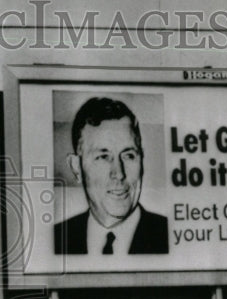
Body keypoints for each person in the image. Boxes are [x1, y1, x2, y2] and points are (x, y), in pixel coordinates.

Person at [53, 96, 168, 254]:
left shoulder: (170, 236)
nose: (119, 174)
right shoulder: (55, 240)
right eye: (103, 157)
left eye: (129, 156)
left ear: (142, 159)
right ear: (77, 167)